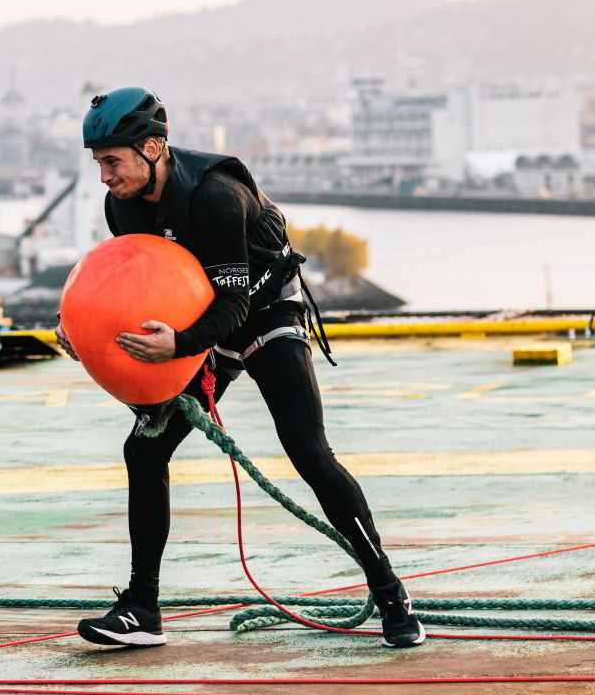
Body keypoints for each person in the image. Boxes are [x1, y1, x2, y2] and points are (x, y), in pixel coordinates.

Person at [54, 87, 425, 649]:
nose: (104, 176)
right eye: (99, 163)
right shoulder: (122, 207)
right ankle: (141, 609)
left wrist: (178, 346)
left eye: (112, 161)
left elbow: (233, 308)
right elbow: (133, 287)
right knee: (145, 449)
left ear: (154, 147)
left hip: (264, 312)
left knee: (308, 450)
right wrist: (82, 328)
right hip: (198, 323)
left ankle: (391, 593)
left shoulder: (217, 196)